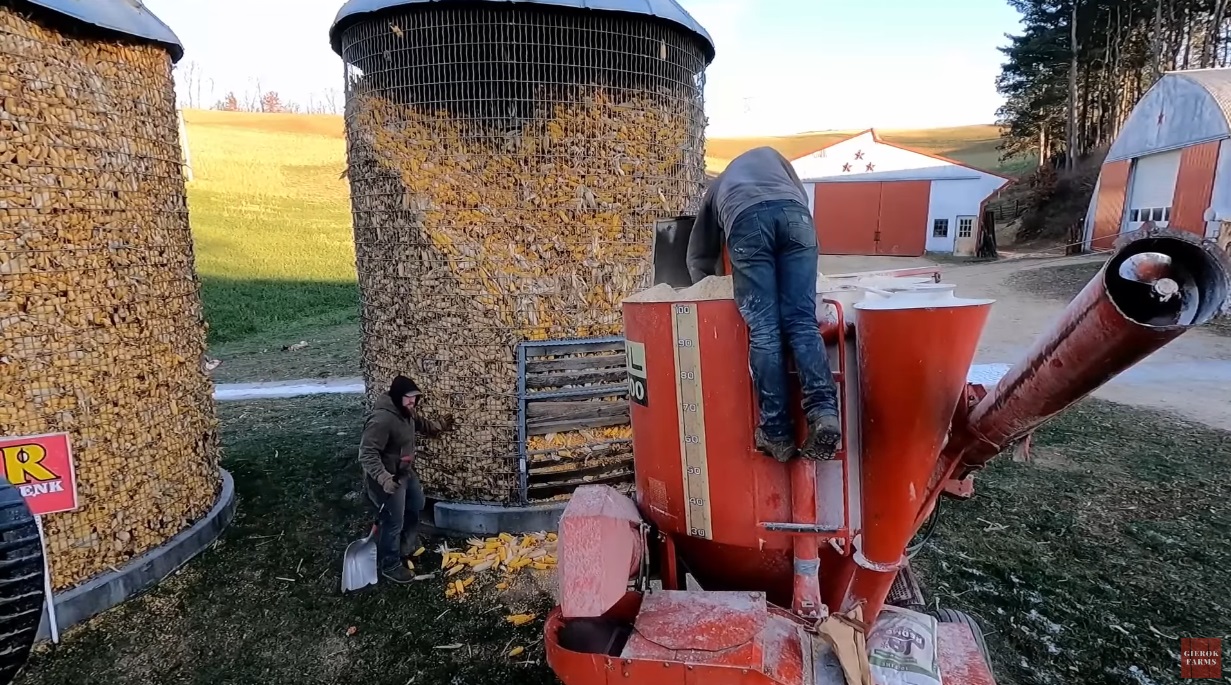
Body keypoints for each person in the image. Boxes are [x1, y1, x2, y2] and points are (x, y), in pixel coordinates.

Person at [685, 146, 842, 463]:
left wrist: (705, 287)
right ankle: (824, 412)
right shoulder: (772, 157)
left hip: (747, 222)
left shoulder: (718, 186)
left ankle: (776, 432)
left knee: (765, 329)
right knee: (801, 321)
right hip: (798, 219)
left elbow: (699, 254)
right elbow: (799, 200)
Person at [358, 375, 455, 584]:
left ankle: (406, 543)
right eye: (408, 397)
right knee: (393, 521)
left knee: (416, 504)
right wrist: (384, 479)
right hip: (388, 478)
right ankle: (390, 564)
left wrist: (438, 425)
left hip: (404, 472)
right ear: (397, 396)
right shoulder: (382, 420)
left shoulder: (406, 411)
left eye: (415, 397)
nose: (413, 402)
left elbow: (420, 424)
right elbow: (367, 454)